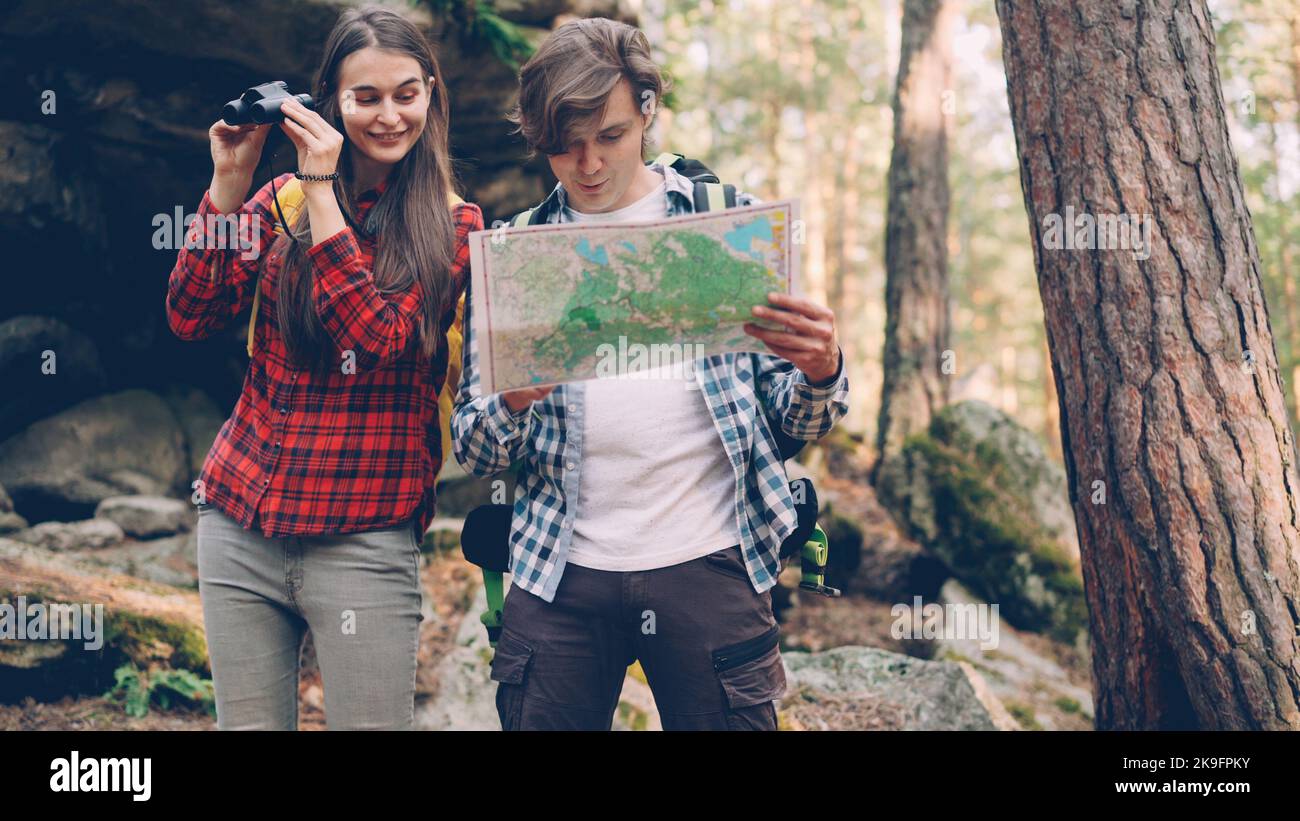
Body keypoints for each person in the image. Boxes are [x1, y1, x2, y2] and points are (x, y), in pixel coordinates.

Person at [452, 17, 850, 731]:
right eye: (565, 147)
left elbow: (793, 423)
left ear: (646, 110)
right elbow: (475, 448)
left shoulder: (725, 224)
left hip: (711, 564)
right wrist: (511, 399)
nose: (590, 164)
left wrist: (821, 371)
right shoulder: (515, 254)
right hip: (557, 571)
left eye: (609, 136)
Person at [165, 5, 483, 730]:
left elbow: (374, 338)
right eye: (364, 97)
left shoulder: (457, 226)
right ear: (330, 103)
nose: (388, 115)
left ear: (431, 93)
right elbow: (189, 314)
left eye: (406, 93)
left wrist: (318, 188)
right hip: (240, 523)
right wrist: (227, 181)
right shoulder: (277, 200)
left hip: (364, 540)